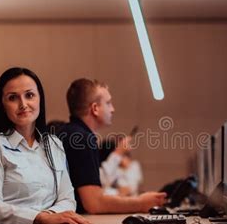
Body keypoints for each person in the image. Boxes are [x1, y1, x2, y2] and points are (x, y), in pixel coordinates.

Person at [0, 67, 90, 224]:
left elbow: (67, 198)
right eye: (12, 98)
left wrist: (49, 216)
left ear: (40, 99)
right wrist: (39, 218)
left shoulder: (53, 144)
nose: (23, 104)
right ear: (2, 105)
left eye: (29, 95)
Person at [58, 78, 166, 214]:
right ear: (95, 109)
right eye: (108, 103)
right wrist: (141, 203)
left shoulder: (69, 132)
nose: (113, 109)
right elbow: (94, 204)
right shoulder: (82, 139)